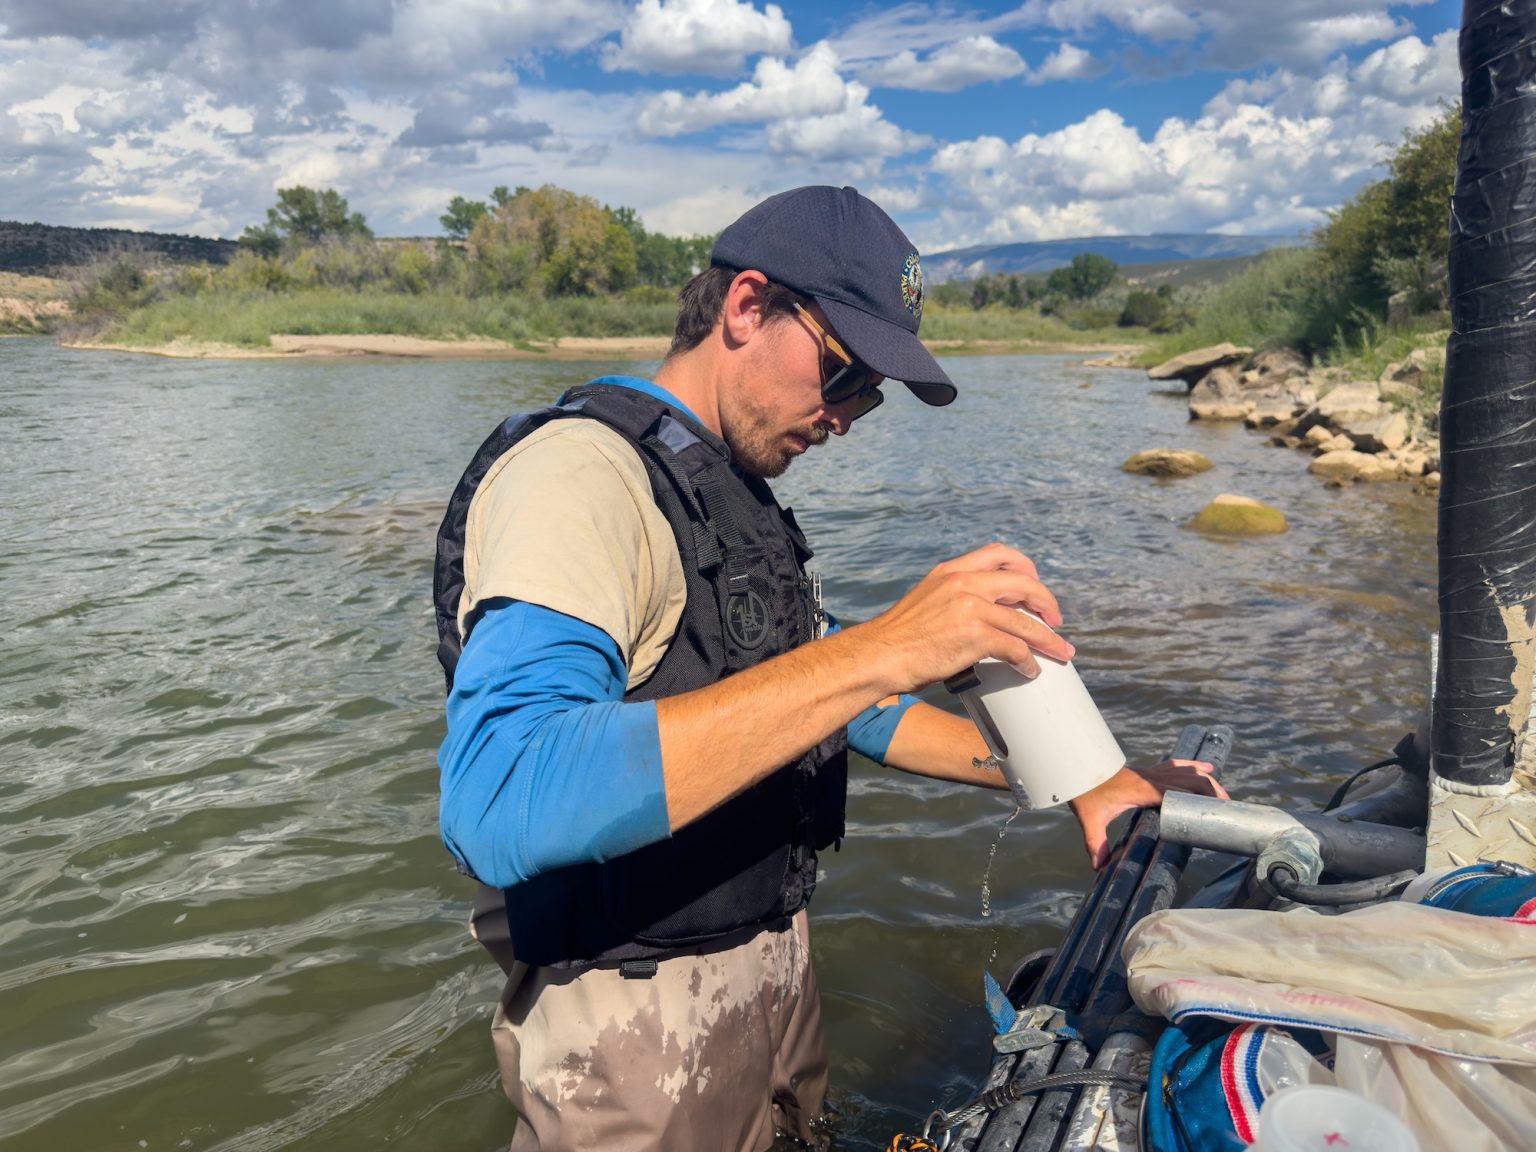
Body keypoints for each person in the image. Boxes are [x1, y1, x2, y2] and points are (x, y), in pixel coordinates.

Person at [432, 185, 1225, 1152]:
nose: (847, 417)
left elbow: (854, 710)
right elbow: (503, 793)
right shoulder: (578, 477)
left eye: (870, 396)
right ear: (746, 307)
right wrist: (886, 644)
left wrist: (1087, 779)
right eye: (843, 374)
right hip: (628, 1024)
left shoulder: (734, 489)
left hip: (772, 971)